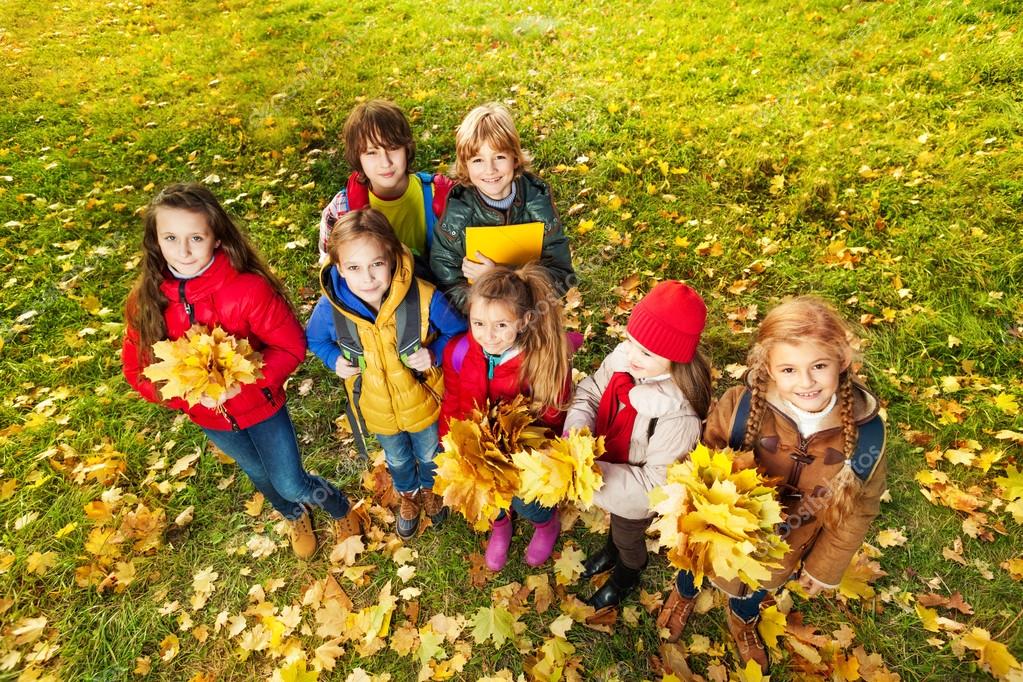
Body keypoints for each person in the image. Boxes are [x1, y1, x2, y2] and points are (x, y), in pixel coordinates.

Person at [122, 183, 361, 560]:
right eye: (170, 237)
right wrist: (183, 395)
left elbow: (290, 347)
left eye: (195, 237)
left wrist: (246, 380)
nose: (183, 251)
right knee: (261, 477)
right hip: (210, 418)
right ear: (155, 240)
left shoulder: (246, 290)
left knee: (289, 479)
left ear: (216, 238)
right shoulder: (146, 301)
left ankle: (335, 504)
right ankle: (293, 514)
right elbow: (138, 370)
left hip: (262, 408)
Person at [655, 296, 888, 669]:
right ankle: (684, 594)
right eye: (790, 369)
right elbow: (700, 465)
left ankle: (743, 618)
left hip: (785, 545)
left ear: (841, 361)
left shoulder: (866, 436)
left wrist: (823, 568)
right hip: (715, 535)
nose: (806, 382)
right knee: (695, 567)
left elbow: (859, 509)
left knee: (757, 587)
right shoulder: (740, 406)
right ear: (769, 367)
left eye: (819, 366)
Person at [307, 208, 466, 540]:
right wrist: (333, 359)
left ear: (392, 258)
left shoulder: (424, 298)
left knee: (427, 451)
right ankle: (407, 494)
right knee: (396, 456)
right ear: (338, 267)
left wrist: (434, 353)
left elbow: (459, 332)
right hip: (375, 405)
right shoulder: (330, 310)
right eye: (354, 268)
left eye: (376, 264)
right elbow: (315, 339)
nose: (367, 278)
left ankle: (430, 488)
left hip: (423, 399)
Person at [564, 281, 711, 610]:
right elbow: (589, 393)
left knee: (627, 535)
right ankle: (611, 550)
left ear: (674, 358)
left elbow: (656, 486)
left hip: (634, 495)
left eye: (645, 351)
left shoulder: (677, 414)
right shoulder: (624, 363)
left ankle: (628, 570)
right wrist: (577, 432)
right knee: (615, 526)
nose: (632, 354)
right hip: (610, 472)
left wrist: (592, 476)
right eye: (630, 341)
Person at [440, 264, 573, 570]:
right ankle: (500, 526)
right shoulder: (458, 352)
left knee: (527, 501)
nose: (489, 335)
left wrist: (535, 460)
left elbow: (553, 418)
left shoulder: (540, 362)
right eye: (479, 323)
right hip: (480, 450)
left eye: (501, 325)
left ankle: (545, 524)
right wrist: (450, 441)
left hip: (528, 455)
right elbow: (453, 400)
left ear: (525, 320)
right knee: (488, 492)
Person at [429, 103, 575, 312]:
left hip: (531, 312)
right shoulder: (458, 215)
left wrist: (503, 276)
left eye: (499, 157)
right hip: (484, 321)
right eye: (478, 160)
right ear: (465, 166)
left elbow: (563, 276)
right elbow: (446, 284)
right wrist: (486, 302)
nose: (490, 170)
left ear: (515, 159)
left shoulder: (537, 204)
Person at [317, 99, 454, 282]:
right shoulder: (341, 210)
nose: (385, 163)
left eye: (393, 148)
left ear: (407, 148)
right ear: (357, 158)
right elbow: (332, 272)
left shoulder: (441, 196)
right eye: (372, 152)